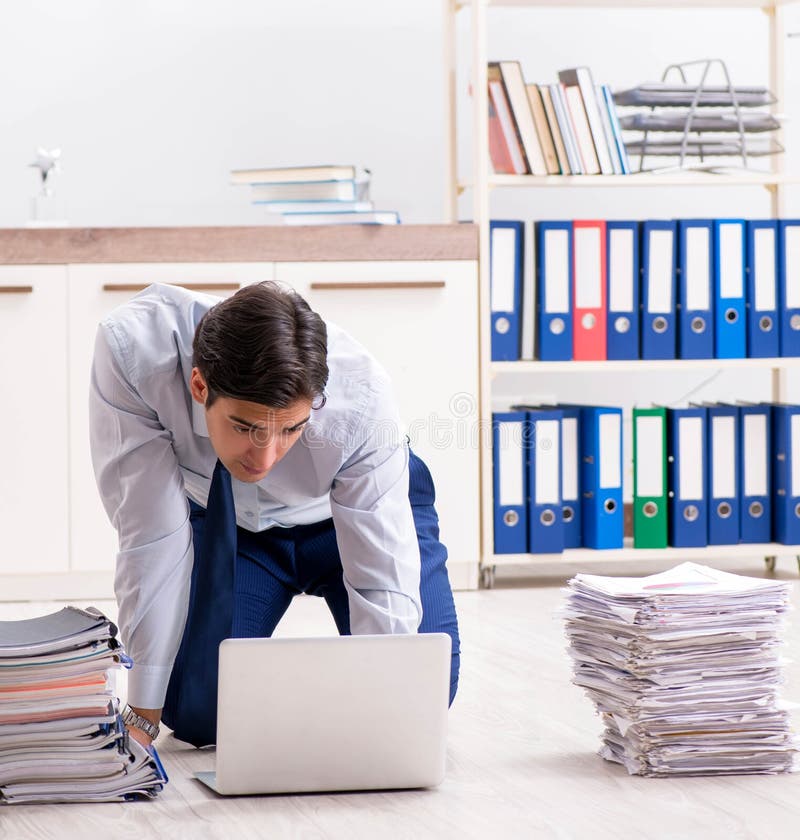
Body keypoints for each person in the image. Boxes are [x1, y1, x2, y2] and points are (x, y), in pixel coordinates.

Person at [89, 281, 460, 749]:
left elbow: (381, 573)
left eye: (291, 430)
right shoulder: (135, 355)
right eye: (245, 427)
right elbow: (153, 534)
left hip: (348, 515)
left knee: (422, 686)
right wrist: (143, 716)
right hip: (234, 525)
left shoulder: (362, 397)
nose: (264, 460)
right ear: (200, 386)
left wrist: (385, 705)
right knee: (194, 709)